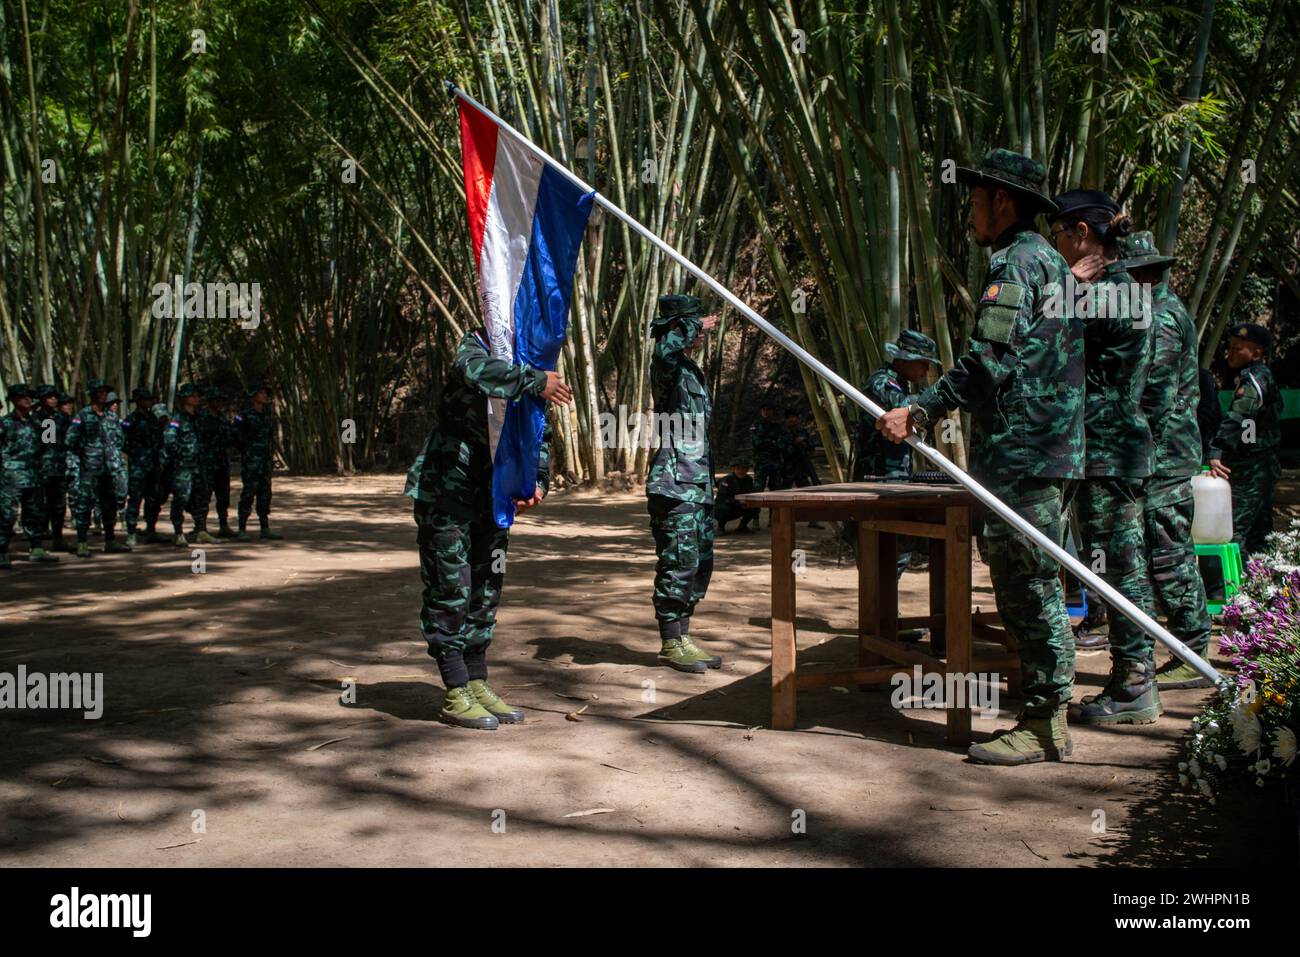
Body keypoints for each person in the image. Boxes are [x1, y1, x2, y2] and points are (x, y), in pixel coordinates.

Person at [877, 148, 1081, 766]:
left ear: (1002, 200)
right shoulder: (1052, 262)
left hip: (1024, 452)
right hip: (1050, 446)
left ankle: (1046, 721)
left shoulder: (1016, 264)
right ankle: (1045, 711)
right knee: (1031, 578)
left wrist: (920, 409)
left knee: (1027, 582)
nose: (969, 210)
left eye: (975, 198)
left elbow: (990, 360)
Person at [405, 328, 571, 729]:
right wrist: (534, 380)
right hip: (448, 490)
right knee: (451, 587)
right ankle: (455, 687)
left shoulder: (533, 353)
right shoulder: (478, 343)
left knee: (486, 587)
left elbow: (538, 428)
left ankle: (476, 679)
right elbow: (475, 371)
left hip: (494, 496)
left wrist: (539, 480)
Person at [1046, 190, 1162, 727]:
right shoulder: (1121, 290)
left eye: (1060, 234)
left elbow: (1041, 338)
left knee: (1120, 567)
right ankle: (1132, 679)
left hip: (1108, 448)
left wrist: (1067, 287)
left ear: (1083, 234)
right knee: (1119, 564)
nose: (1055, 245)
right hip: (1115, 445)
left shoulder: (1108, 294)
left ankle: (1136, 682)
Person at [1119, 230, 1214, 691]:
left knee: (1170, 550)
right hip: (1166, 451)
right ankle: (1187, 646)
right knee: (1165, 548)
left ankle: (1192, 649)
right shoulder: (1160, 309)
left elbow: (1156, 393)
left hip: (1166, 455)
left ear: (1142, 274)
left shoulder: (1160, 317)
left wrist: (1129, 437)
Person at [647, 293, 723, 674]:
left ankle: (684, 634)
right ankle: (671, 640)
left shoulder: (691, 370)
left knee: (700, 562)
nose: (702, 335)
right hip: (673, 482)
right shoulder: (668, 366)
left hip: (698, 482)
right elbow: (665, 352)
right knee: (679, 561)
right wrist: (692, 324)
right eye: (692, 327)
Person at [847, 329, 941, 576]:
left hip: (895, 479)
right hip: (876, 479)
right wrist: (932, 402)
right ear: (905, 360)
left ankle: (885, 610)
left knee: (897, 549)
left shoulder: (900, 385)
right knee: (879, 549)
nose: (925, 371)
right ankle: (878, 611)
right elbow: (901, 407)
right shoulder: (881, 381)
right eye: (922, 363)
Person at [1208, 322, 1282, 559]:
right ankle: (1265, 583)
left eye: (1238, 348)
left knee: (1235, 531)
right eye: (1230, 346)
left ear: (1257, 353)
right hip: (1262, 463)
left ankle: (1236, 589)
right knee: (1260, 532)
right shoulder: (1260, 376)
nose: (1230, 352)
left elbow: (1239, 418)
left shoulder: (1253, 381)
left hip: (1250, 468)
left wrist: (1216, 450)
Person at [66, 379, 131, 558]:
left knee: (110, 505)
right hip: (90, 469)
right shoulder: (83, 416)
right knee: (84, 505)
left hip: (109, 469)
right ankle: (82, 542)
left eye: (105, 392)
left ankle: (110, 540)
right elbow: (71, 440)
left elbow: (119, 439)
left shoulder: (111, 417)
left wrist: (113, 456)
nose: (104, 395)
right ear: (93, 394)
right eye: (100, 392)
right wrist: (88, 454)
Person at [1, 384, 58, 568]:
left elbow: (49, 446)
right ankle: (2, 551)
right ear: (14, 400)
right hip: (11, 477)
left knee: (35, 513)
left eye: (29, 396)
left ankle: (36, 548)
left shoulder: (40, 423)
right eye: (23, 396)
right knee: (7, 514)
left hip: (34, 475)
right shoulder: (4, 423)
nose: (28, 400)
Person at [163, 384, 214, 546]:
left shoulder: (201, 417)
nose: (196, 398)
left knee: (202, 498)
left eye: (197, 395)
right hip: (183, 467)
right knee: (181, 498)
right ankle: (178, 533)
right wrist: (183, 454)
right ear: (184, 398)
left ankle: (201, 530)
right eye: (192, 395)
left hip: (200, 465)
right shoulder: (177, 419)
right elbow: (169, 441)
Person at [235, 383, 281, 541]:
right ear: (253, 396)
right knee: (248, 494)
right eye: (261, 393)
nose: (264, 396)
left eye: (265, 393)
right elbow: (236, 435)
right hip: (251, 461)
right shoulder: (244, 415)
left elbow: (269, 438)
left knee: (265, 494)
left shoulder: (266, 416)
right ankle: (242, 529)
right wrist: (247, 451)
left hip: (265, 461)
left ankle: (265, 527)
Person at [122, 386, 167, 546]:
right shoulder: (130, 420)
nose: (148, 402)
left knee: (153, 499)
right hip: (138, 467)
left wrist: (160, 459)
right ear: (139, 401)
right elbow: (123, 442)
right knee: (135, 499)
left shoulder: (153, 419)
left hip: (153, 466)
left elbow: (160, 441)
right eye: (146, 399)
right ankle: (132, 532)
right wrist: (138, 454)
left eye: (150, 399)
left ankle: (151, 529)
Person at [34, 385, 71, 552]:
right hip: (40, 470)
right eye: (49, 397)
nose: (54, 399)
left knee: (59, 505)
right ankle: (37, 542)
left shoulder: (63, 418)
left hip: (59, 468)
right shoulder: (35, 419)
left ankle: (58, 538)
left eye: (55, 397)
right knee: (39, 506)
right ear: (42, 399)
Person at [198, 387, 236, 537]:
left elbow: (230, 438)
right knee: (204, 497)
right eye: (216, 400)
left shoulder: (222, 418)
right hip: (207, 464)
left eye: (220, 400)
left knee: (223, 496)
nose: (219, 403)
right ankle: (201, 527)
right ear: (209, 402)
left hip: (221, 463)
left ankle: (223, 525)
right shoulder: (201, 418)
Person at [714, 462, 758, 533]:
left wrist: (748, 502)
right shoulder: (727, 479)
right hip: (727, 505)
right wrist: (737, 502)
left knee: (755, 506)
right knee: (722, 508)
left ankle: (742, 526)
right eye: (738, 469)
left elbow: (750, 493)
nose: (741, 471)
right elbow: (722, 497)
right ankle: (720, 527)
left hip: (741, 504)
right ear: (733, 469)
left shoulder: (748, 480)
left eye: (744, 469)